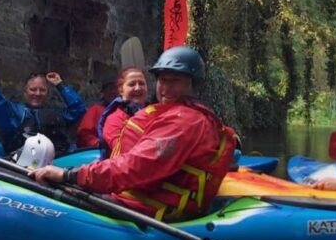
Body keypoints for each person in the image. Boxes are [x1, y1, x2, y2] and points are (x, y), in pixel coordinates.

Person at [31, 46, 238, 222]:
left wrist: (69, 175)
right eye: (162, 80)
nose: (165, 88)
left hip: (147, 210)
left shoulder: (183, 121)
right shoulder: (181, 114)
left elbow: (135, 166)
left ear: (193, 85)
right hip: (141, 196)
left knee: (51, 188)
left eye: (174, 81)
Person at [0, 40, 87, 154]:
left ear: (48, 93)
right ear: (25, 92)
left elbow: (78, 109)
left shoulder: (57, 114)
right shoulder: (13, 113)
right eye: (33, 89)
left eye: (42, 90)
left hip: (57, 164)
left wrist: (61, 85)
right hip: (22, 165)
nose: (37, 93)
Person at [96, 67, 149, 159]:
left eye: (142, 84)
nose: (138, 88)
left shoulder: (155, 112)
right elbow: (124, 156)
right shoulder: (114, 119)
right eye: (132, 84)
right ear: (121, 90)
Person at [75, 80, 119, 149]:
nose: (113, 92)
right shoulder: (95, 110)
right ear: (103, 93)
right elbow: (84, 132)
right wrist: (96, 143)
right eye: (109, 89)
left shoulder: (127, 110)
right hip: (100, 150)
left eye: (116, 89)